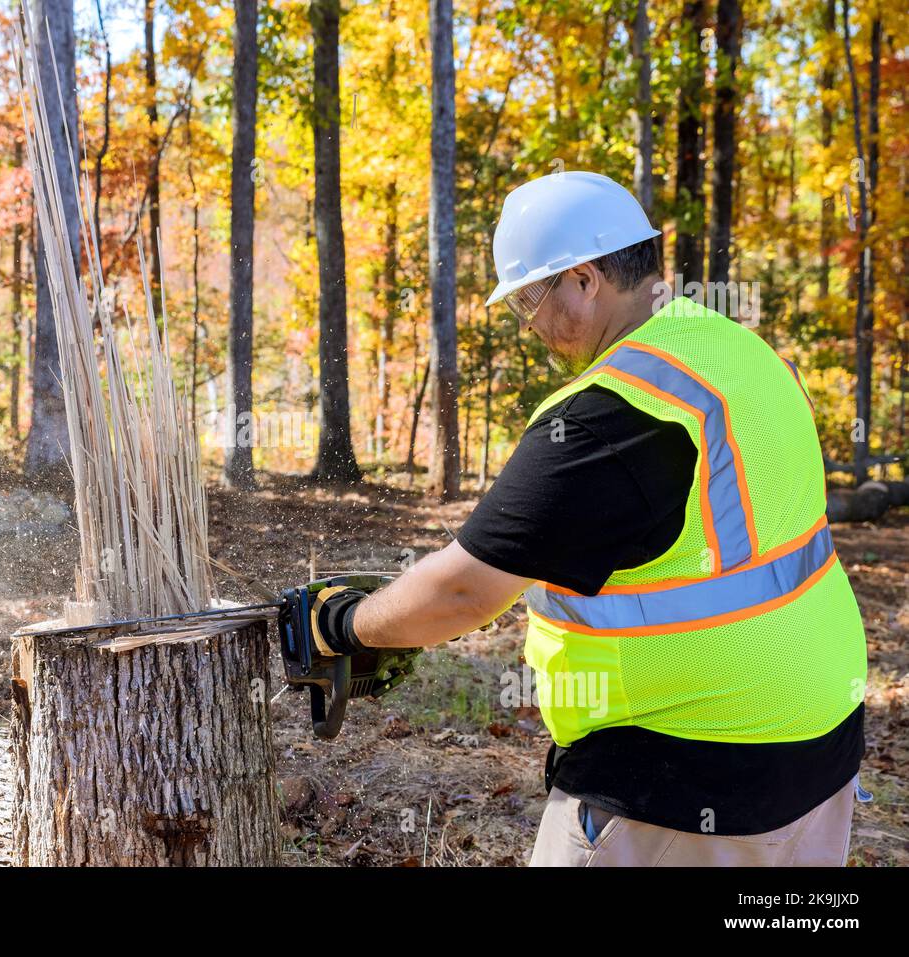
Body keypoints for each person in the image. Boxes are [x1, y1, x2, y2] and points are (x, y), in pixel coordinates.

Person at [308, 171, 868, 866]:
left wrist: (341, 624)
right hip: (821, 746)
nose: (530, 326)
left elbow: (464, 590)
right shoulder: (735, 348)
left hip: (686, 778)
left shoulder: (614, 414)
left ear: (584, 278)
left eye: (530, 301)